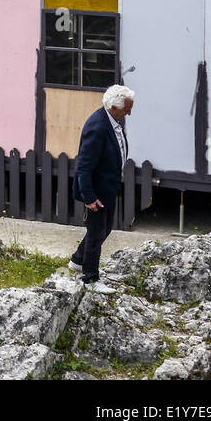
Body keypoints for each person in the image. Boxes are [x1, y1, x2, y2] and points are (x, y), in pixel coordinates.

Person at [69, 84, 135, 293]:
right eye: (127, 109)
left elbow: (114, 150)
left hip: (108, 184)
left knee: (104, 229)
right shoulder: (97, 127)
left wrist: (117, 168)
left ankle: (78, 260)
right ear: (114, 107)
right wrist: (89, 196)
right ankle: (90, 278)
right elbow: (84, 166)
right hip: (96, 191)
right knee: (97, 233)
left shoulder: (112, 120)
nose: (129, 113)